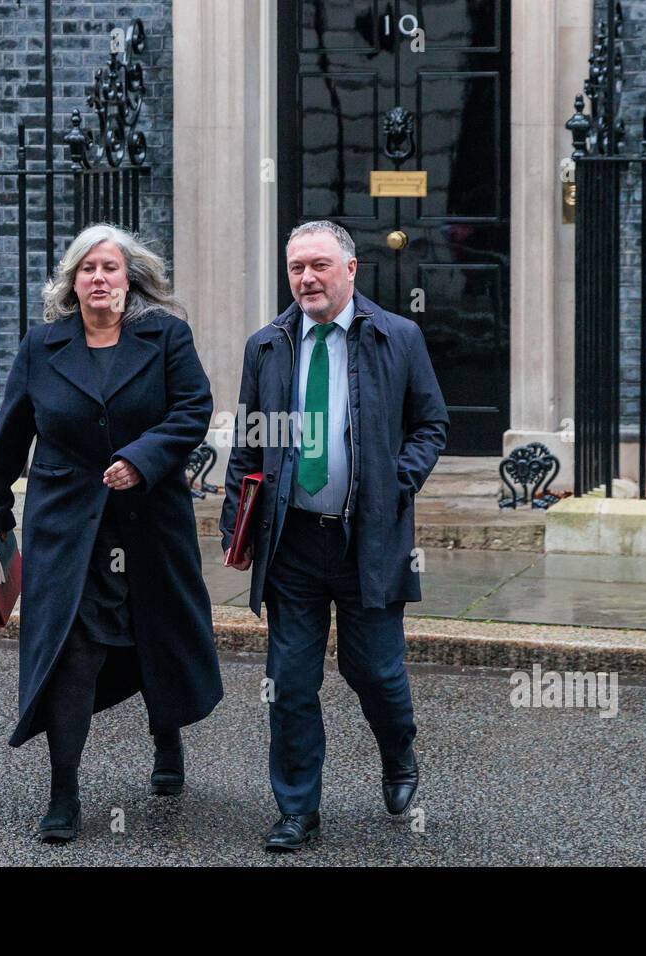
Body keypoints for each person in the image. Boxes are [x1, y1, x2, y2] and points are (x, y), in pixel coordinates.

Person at [0, 223, 223, 844]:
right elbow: (10, 431)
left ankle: (167, 740)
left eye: (110, 267)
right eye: (87, 269)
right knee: (70, 648)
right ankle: (64, 790)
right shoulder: (43, 345)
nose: (99, 278)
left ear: (130, 278)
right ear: (71, 282)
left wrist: (143, 457)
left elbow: (193, 408)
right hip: (66, 523)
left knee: (153, 634)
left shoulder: (165, 336)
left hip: (149, 519)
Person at [220, 220, 449, 852]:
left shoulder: (396, 336)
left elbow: (431, 424)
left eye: (319, 265)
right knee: (290, 681)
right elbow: (251, 439)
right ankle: (297, 810)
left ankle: (398, 751)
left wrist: (395, 483)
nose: (306, 279)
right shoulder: (267, 344)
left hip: (368, 539)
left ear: (351, 270)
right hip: (291, 540)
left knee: (372, 668)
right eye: (296, 268)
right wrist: (234, 521)